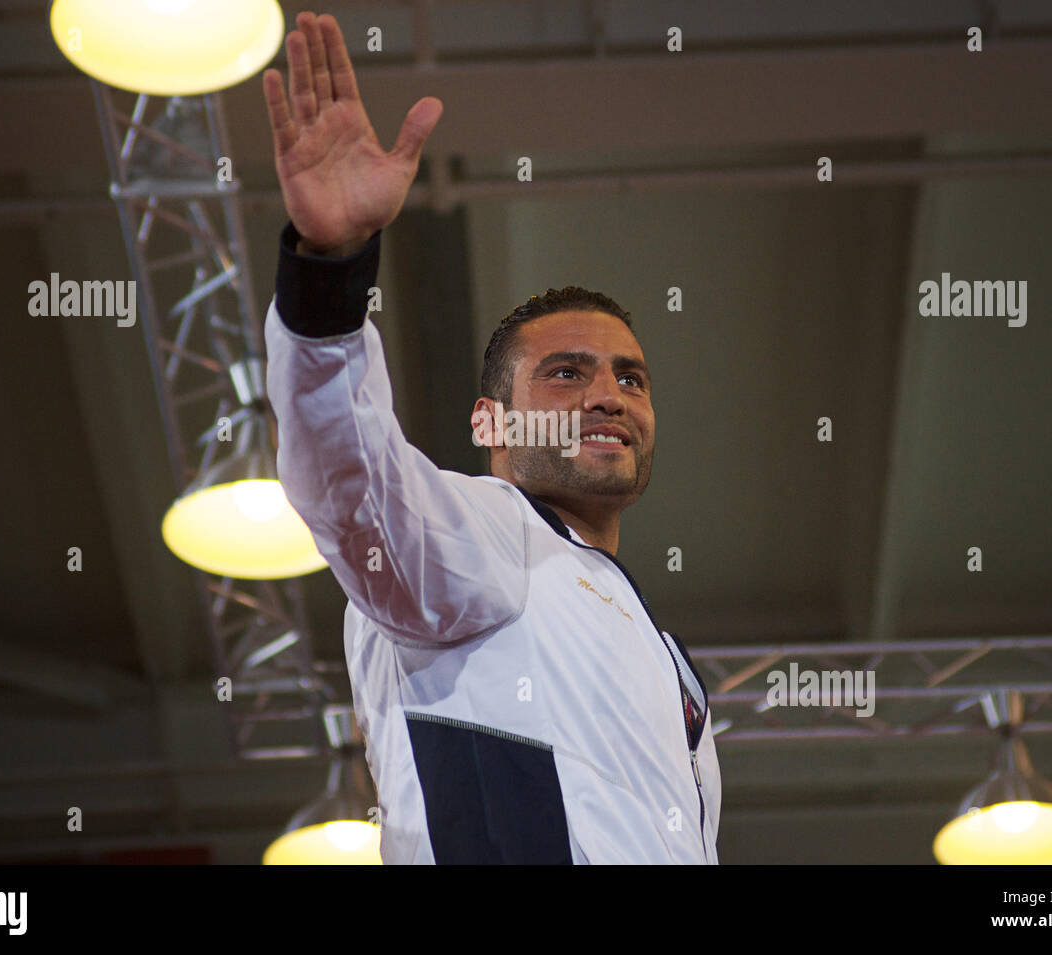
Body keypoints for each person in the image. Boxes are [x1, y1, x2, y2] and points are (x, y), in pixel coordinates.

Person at [262, 10, 720, 863]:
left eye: (631, 377)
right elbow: (349, 481)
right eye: (565, 373)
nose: (608, 396)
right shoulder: (481, 536)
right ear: (491, 422)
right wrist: (330, 269)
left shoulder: (669, 662)